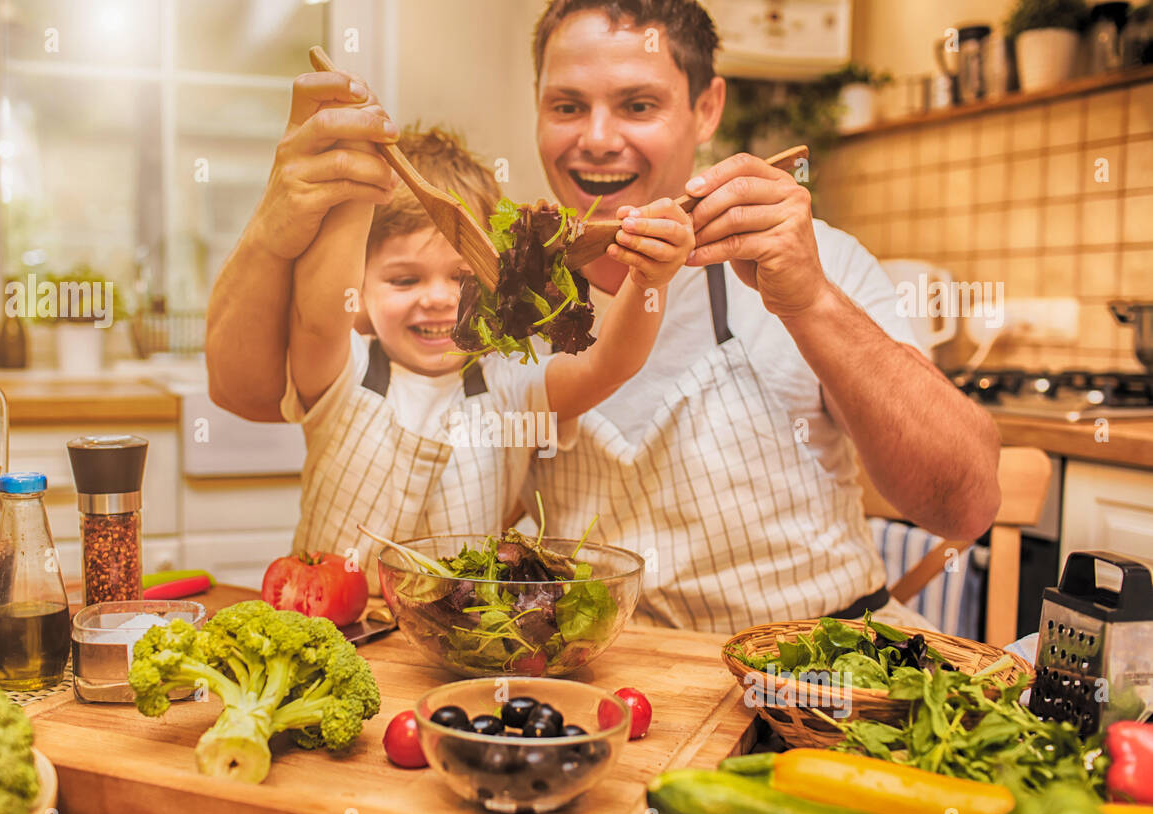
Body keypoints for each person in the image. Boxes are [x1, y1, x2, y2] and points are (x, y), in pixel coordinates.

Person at [206, 0, 1001, 633]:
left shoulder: (813, 259)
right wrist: (280, 222)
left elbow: (962, 506)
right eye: (567, 105)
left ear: (707, 106)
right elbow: (249, 389)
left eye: (638, 104)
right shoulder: (498, 286)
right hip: (611, 690)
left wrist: (811, 301)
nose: (596, 140)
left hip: (816, 673)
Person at [283, 125, 693, 587]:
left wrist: (648, 280)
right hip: (331, 630)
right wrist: (351, 188)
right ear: (358, 287)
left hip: (461, 643)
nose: (438, 298)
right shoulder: (343, 369)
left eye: (462, 276)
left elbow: (608, 366)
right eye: (404, 280)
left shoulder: (510, 386)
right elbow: (317, 314)